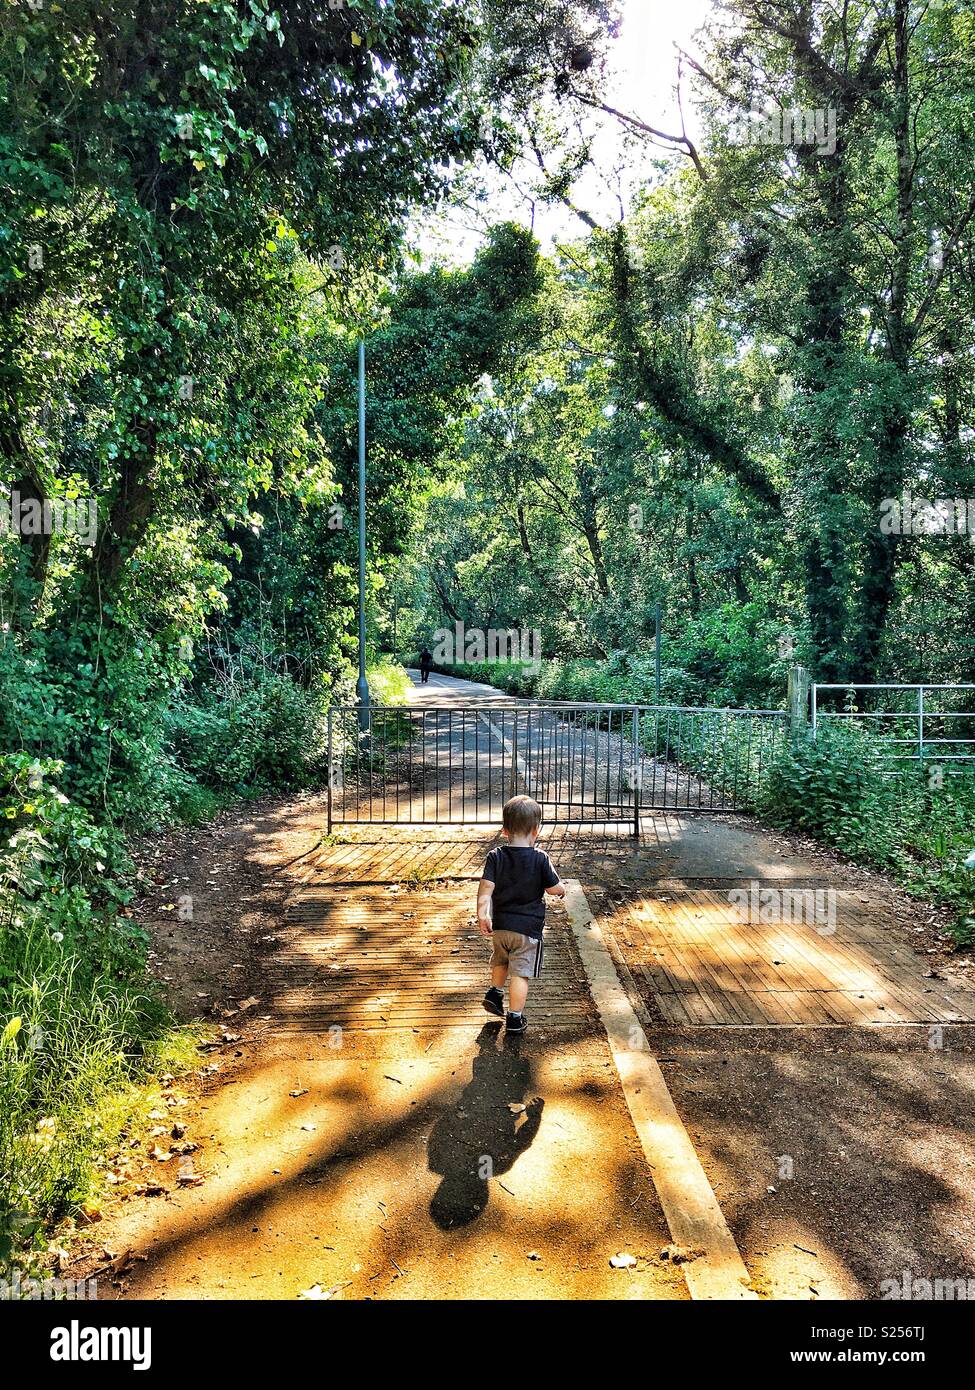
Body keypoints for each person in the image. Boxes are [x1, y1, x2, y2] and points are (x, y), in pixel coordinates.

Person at [476, 795, 565, 1034]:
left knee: (501, 960)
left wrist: (482, 914)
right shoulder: (540, 858)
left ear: (504, 830)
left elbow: (486, 886)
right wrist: (562, 890)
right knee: (520, 974)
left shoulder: (495, 856)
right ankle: (515, 1018)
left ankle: (495, 992)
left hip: (501, 927)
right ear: (536, 830)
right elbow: (553, 888)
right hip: (527, 931)